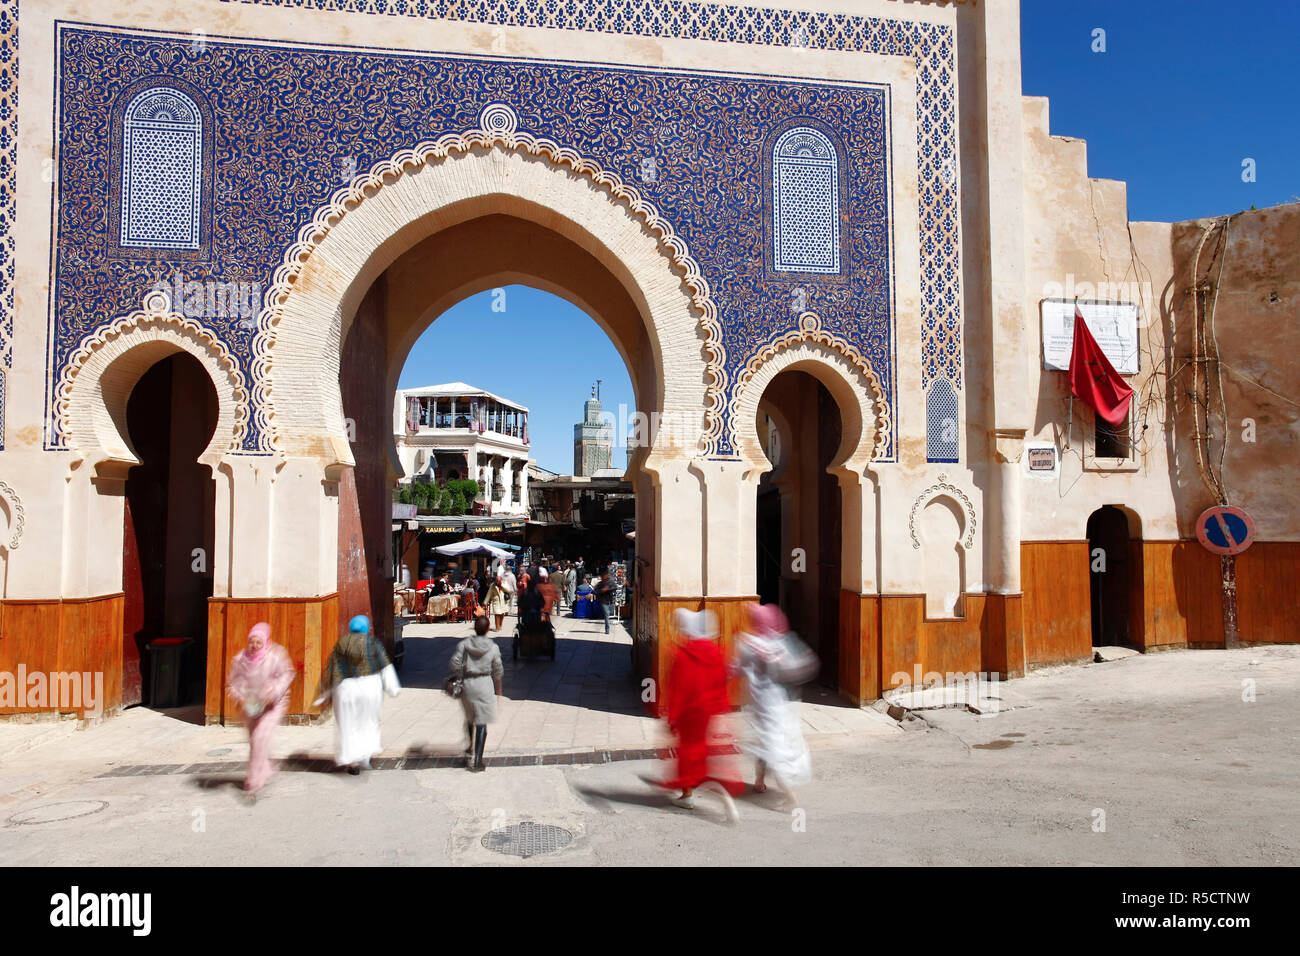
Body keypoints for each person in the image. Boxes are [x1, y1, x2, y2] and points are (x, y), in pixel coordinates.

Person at [733, 602, 818, 809]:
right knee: (768, 744)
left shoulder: (749, 645)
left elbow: (735, 670)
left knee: (771, 747)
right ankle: (759, 781)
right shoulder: (779, 643)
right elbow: (799, 667)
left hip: (763, 704)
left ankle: (791, 799)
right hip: (781, 702)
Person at [660, 609, 743, 813]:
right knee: (699, 751)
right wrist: (721, 707)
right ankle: (706, 790)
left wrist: (671, 719)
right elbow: (721, 680)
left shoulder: (682, 654)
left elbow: (678, 690)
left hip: (688, 714)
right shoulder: (715, 651)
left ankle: (687, 795)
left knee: (687, 753)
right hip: (707, 713)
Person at [314, 615, 401, 774]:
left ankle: (352, 761)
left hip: (346, 689)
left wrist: (323, 692)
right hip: (370, 687)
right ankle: (364, 758)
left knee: (348, 725)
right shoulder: (373, 644)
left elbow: (331, 669)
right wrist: (393, 688)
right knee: (368, 722)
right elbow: (385, 667)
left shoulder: (342, 643)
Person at [226, 622, 296, 798]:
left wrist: (272, 692)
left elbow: (287, 674)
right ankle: (265, 769)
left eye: (258, 642)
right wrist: (239, 696)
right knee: (253, 740)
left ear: (266, 642)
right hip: (251, 705)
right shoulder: (240, 659)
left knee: (260, 737)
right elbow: (233, 682)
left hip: (272, 705)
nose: (254, 646)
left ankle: (253, 780)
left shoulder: (275, 656)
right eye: (252, 642)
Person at [450, 614, 504, 772]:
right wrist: (499, 687)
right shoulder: (493, 647)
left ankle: (469, 749)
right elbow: (498, 669)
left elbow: (455, 663)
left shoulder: (464, 644)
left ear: (474, 628)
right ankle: (478, 761)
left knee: (469, 718)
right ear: (488, 629)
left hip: (468, 683)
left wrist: (462, 671)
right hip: (484, 684)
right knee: (482, 723)